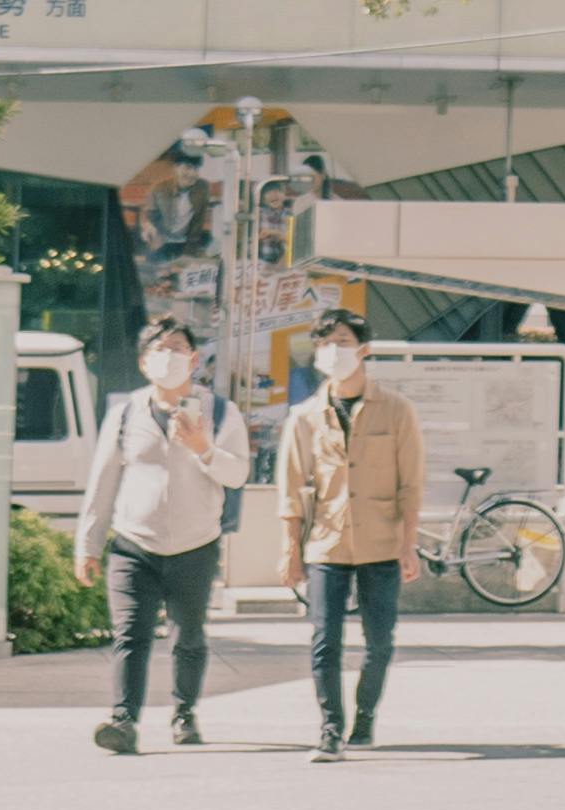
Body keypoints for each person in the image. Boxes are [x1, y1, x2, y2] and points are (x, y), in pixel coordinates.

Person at [75, 319, 250, 757]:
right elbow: (103, 480)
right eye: (159, 348)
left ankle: (184, 713)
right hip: (134, 544)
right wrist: (88, 544)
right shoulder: (126, 412)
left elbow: (238, 473)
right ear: (143, 361)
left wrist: (202, 446)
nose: (169, 356)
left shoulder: (221, 412)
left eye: (178, 348)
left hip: (195, 544)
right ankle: (124, 720)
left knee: (188, 635)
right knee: (130, 635)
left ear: (194, 359)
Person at [277, 317, 420, 763]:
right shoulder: (303, 416)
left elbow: (410, 484)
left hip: (381, 541)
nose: (332, 350)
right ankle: (330, 728)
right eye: (325, 343)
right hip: (326, 541)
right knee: (325, 639)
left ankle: (364, 717)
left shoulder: (396, 410)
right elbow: (290, 487)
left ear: (364, 350)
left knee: (379, 640)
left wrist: (408, 543)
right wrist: (290, 550)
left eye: (342, 342)